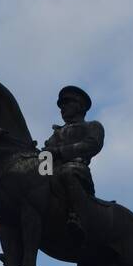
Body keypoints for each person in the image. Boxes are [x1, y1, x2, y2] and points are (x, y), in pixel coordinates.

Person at [42, 86, 105, 239]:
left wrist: (58, 152)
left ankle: (75, 216)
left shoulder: (92, 126)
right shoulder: (55, 133)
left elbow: (92, 145)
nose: (62, 107)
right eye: (61, 104)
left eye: (67, 103)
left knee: (67, 172)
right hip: (53, 172)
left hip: (76, 170)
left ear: (80, 106)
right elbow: (45, 157)